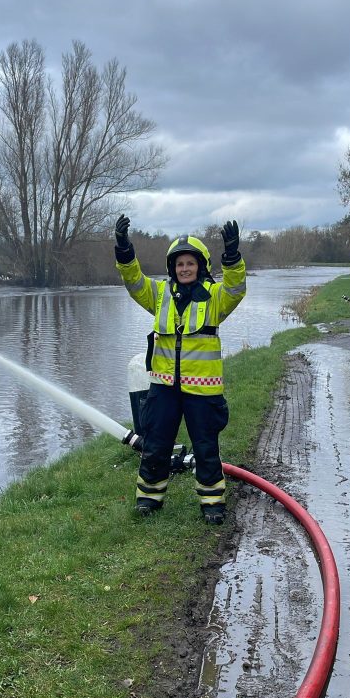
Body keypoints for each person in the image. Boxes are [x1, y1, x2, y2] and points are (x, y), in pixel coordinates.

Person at [114, 216, 246, 525]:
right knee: (156, 445)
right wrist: (124, 250)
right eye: (179, 264)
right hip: (164, 388)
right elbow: (134, 282)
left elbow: (237, 288)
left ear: (201, 266)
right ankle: (149, 499)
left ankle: (212, 504)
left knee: (205, 448)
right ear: (172, 267)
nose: (184, 268)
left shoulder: (215, 298)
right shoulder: (159, 295)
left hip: (202, 391)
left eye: (190, 263)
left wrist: (232, 256)